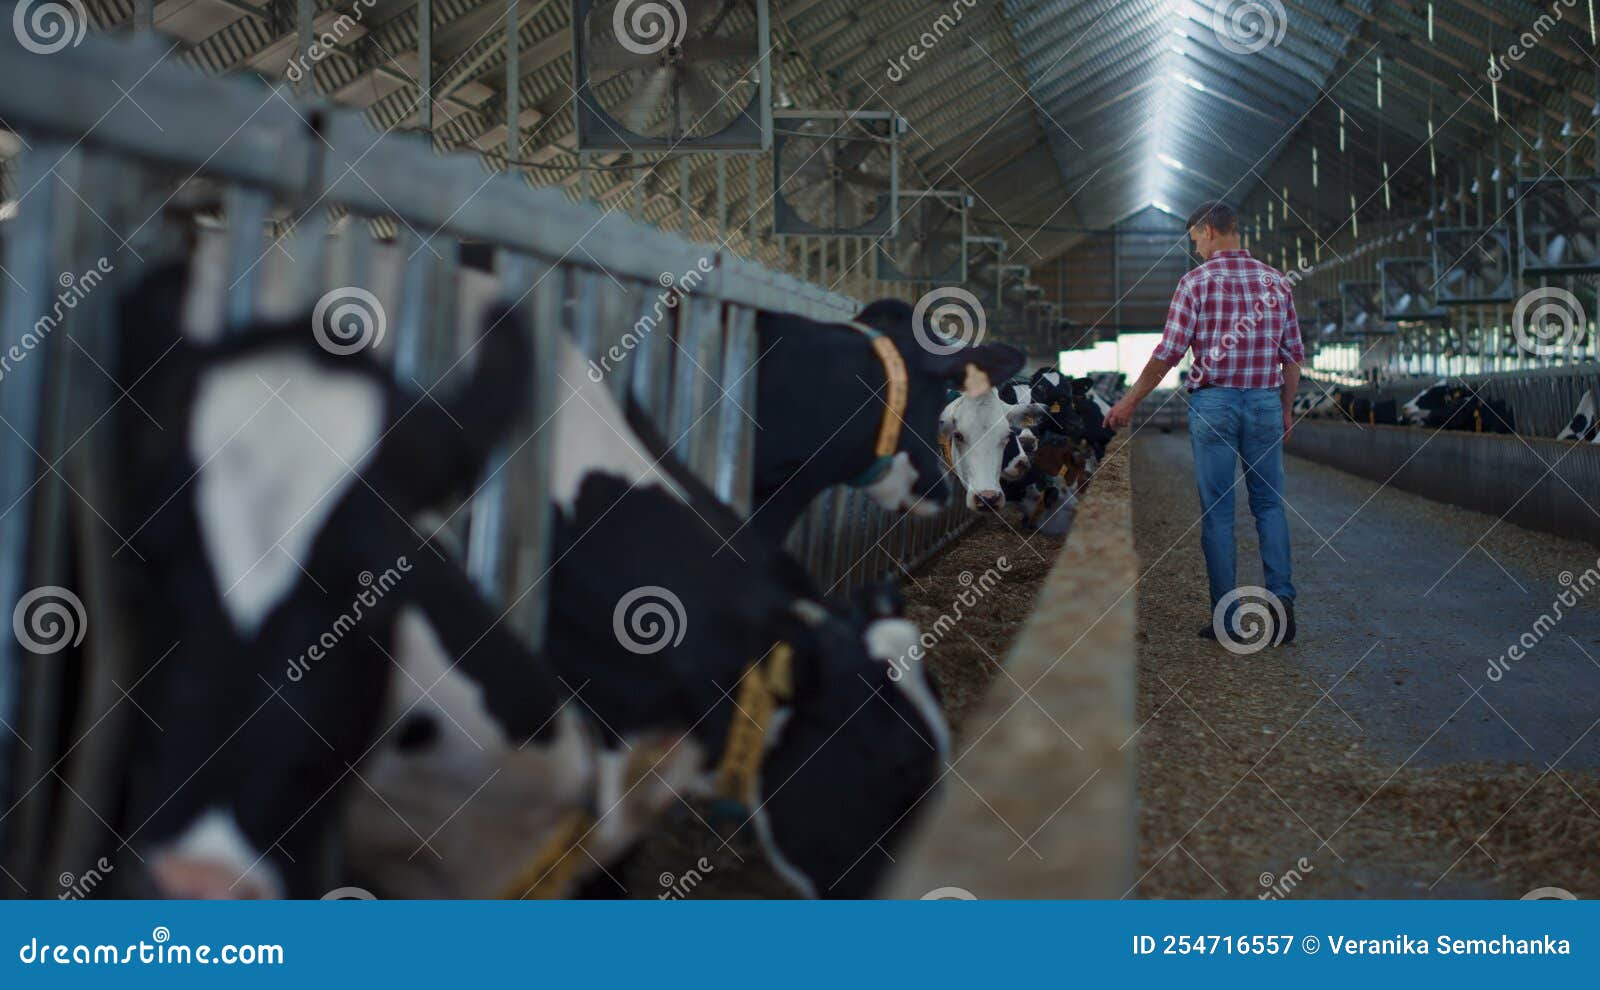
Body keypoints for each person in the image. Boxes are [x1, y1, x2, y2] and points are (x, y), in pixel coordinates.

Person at [1104, 201, 1302, 645]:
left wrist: (1129, 403)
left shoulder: (1195, 283)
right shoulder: (1276, 282)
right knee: (1269, 506)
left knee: (1218, 512)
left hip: (1214, 405)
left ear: (1209, 230)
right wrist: (1286, 410)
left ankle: (1227, 616)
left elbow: (1168, 354)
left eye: (1194, 236)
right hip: (1265, 403)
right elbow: (1292, 358)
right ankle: (1283, 606)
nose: (1194, 246)